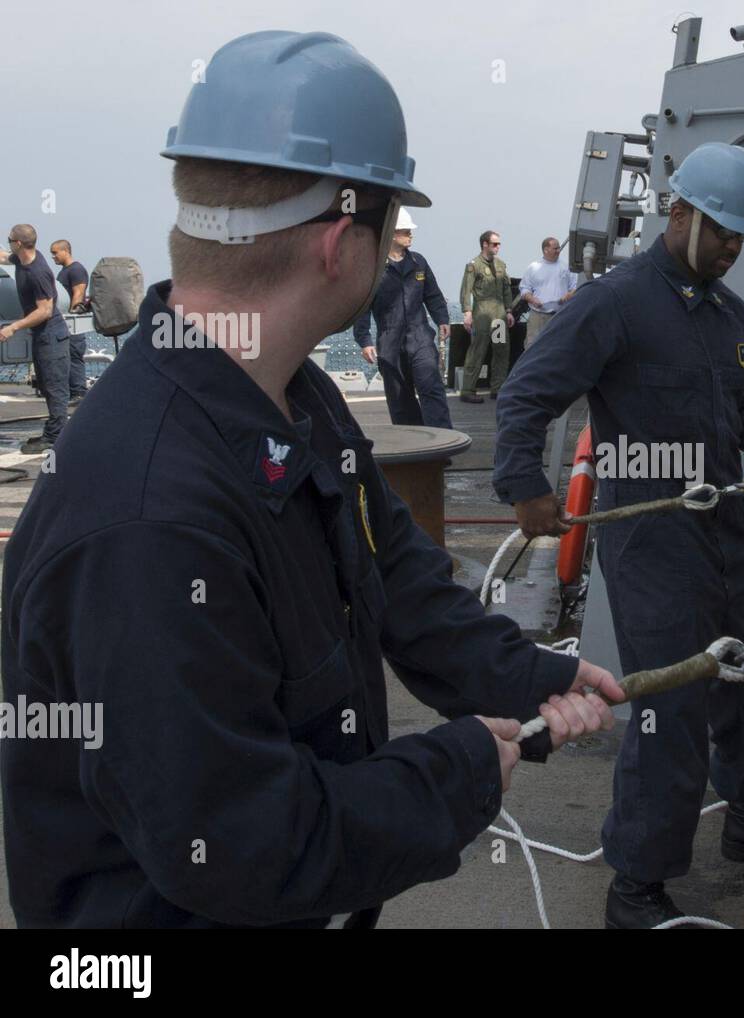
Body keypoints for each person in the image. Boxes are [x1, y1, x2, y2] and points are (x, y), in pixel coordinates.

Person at [0, 29, 623, 930]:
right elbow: (240, 843)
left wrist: (526, 675)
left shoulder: (293, 391)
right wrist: (453, 773)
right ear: (342, 242)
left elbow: (395, 576)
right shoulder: (148, 520)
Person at [493, 143, 744, 929]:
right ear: (678, 214)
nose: (733, 248)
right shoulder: (615, 304)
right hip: (653, 539)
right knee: (669, 710)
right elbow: (525, 396)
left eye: (743, 237)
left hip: (728, 530)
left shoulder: (735, 319)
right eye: (722, 232)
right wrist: (523, 488)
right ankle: (638, 886)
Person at [353, 208, 453, 428]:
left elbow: (433, 295)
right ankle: (414, 446)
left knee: (431, 388)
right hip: (390, 343)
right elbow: (362, 307)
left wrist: (442, 319)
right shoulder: (373, 268)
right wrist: (365, 340)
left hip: (420, 338)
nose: (411, 235)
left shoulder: (419, 263)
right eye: (406, 231)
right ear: (391, 233)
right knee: (400, 400)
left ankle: (443, 441)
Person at [0, 224, 71, 453]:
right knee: (46, 384)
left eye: (10, 239)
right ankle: (53, 433)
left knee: (54, 387)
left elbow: (45, 311)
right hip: (43, 334)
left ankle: (55, 438)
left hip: (52, 334)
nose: (8, 241)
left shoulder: (37, 271)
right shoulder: (23, 258)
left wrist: (14, 327)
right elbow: (4, 257)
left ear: (18, 243)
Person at [457, 230, 513, 402]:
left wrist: (509, 311)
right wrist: (467, 312)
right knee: (477, 350)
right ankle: (467, 390)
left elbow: (506, 290)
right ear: (485, 244)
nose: (498, 247)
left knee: (501, 349)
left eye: (499, 244)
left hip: (498, 314)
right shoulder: (474, 265)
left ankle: (498, 388)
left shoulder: (501, 266)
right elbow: (466, 290)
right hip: (482, 312)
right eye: (495, 244)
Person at [519, 237, 579, 348]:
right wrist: (532, 299)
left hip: (560, 315)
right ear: (546, 250)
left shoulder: (566, 267)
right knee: (532, 348)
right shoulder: (534, 267)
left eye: (559, 248)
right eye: (555, 248)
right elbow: (524, 289)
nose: (558, 250)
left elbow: (575, 287)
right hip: (538, 316)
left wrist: (568, 295)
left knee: (558, 347)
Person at [50, 239, 90, 402]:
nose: (53, 257)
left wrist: (71, 315)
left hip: (72, 322)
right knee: (65, 357)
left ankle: (79, 392)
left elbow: (78, 293)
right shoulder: (65, 271)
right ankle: (71, 391)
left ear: (65, 251)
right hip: (64, 321)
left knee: (73, 356)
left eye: (55, 252)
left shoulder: (76, 270)